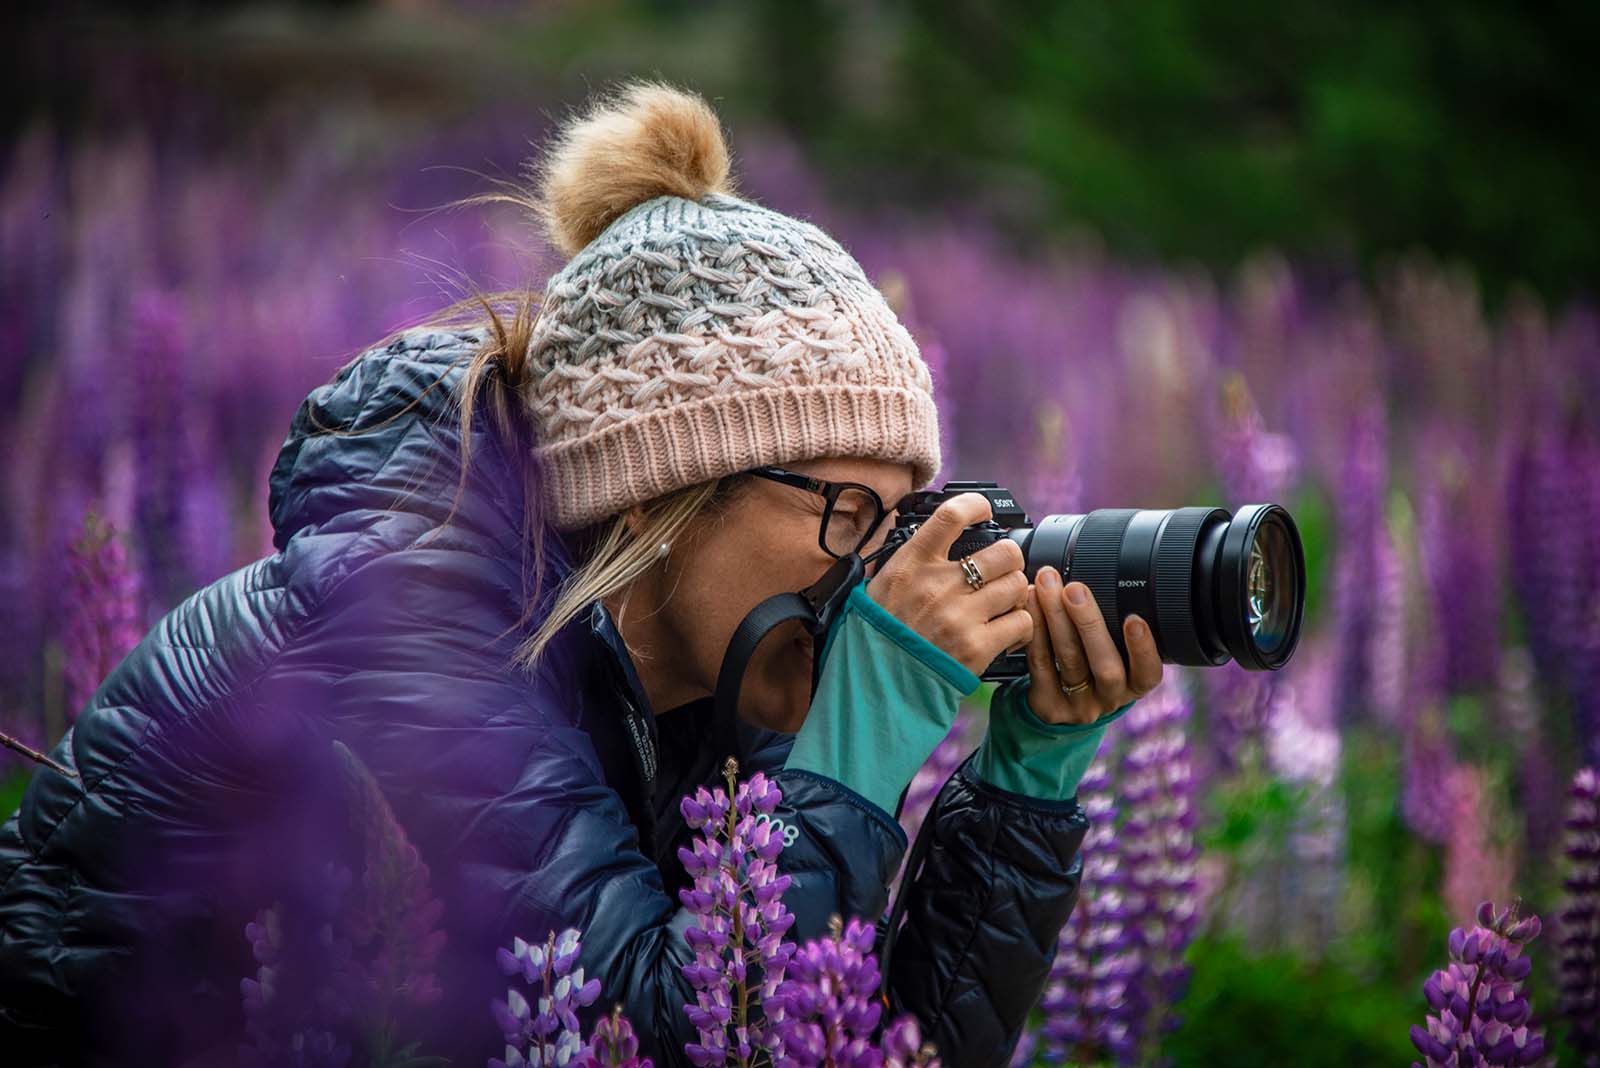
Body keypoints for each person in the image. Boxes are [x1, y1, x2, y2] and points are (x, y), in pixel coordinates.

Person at [0, 80, 1163, 1067]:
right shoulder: (413, 614)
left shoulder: (723, 670)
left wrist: (1023, 781)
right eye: (845, 510)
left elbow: (839, 1036)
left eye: (896, 509)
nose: (871, 560)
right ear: (660, 494)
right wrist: (865, 743)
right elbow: (654, 1035)